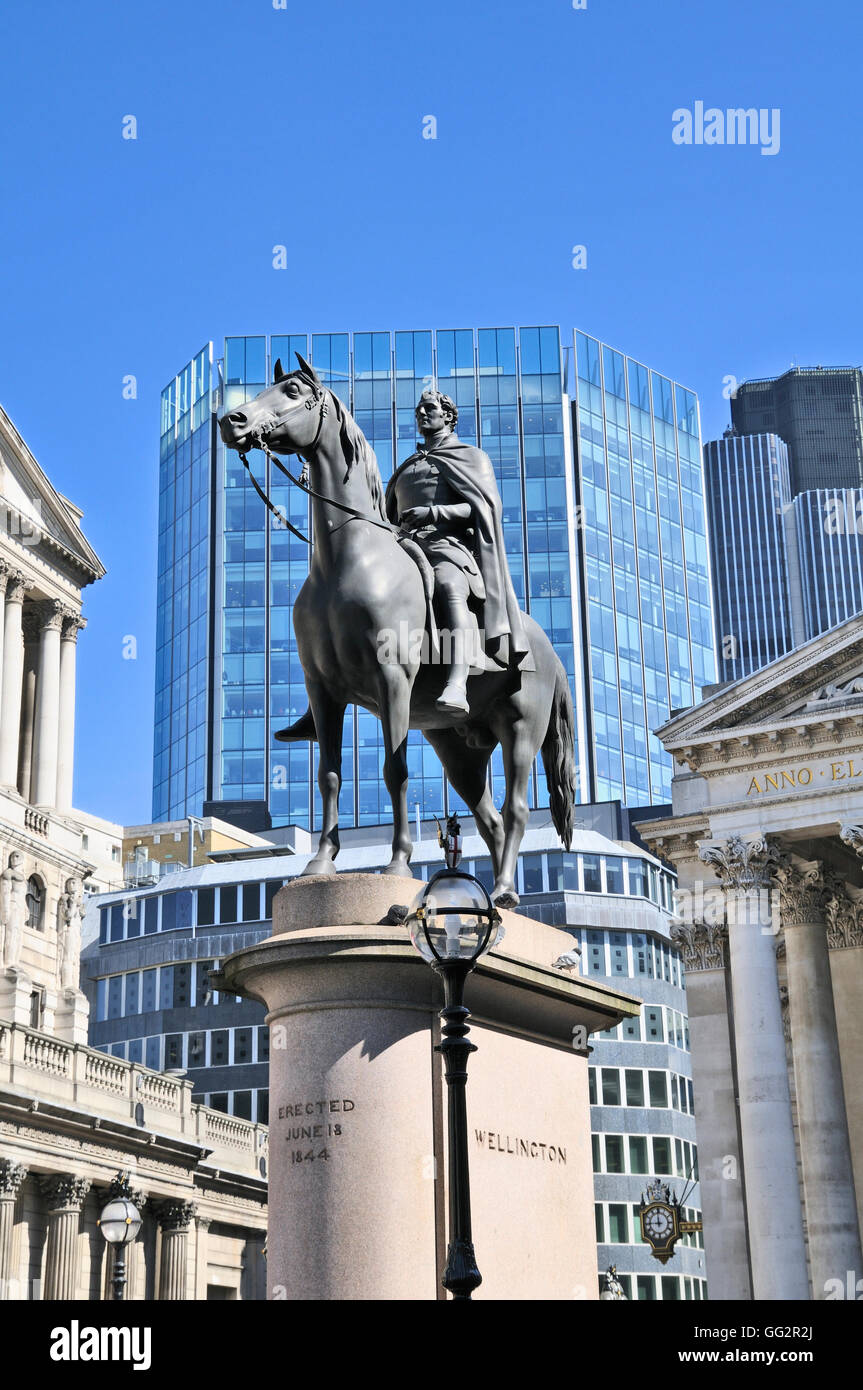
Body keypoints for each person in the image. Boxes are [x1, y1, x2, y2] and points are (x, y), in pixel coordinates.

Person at [384, 389, 532, 715]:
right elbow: (384, 516)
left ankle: (457, 682)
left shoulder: (471, 457)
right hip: (403, 545)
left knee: (449, 585)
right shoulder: (407, 466)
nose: (422, 413)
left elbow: (484, 507)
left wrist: (433, 513)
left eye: (430, 408)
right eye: (419, 408)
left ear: (448, 416)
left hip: (448, 548)